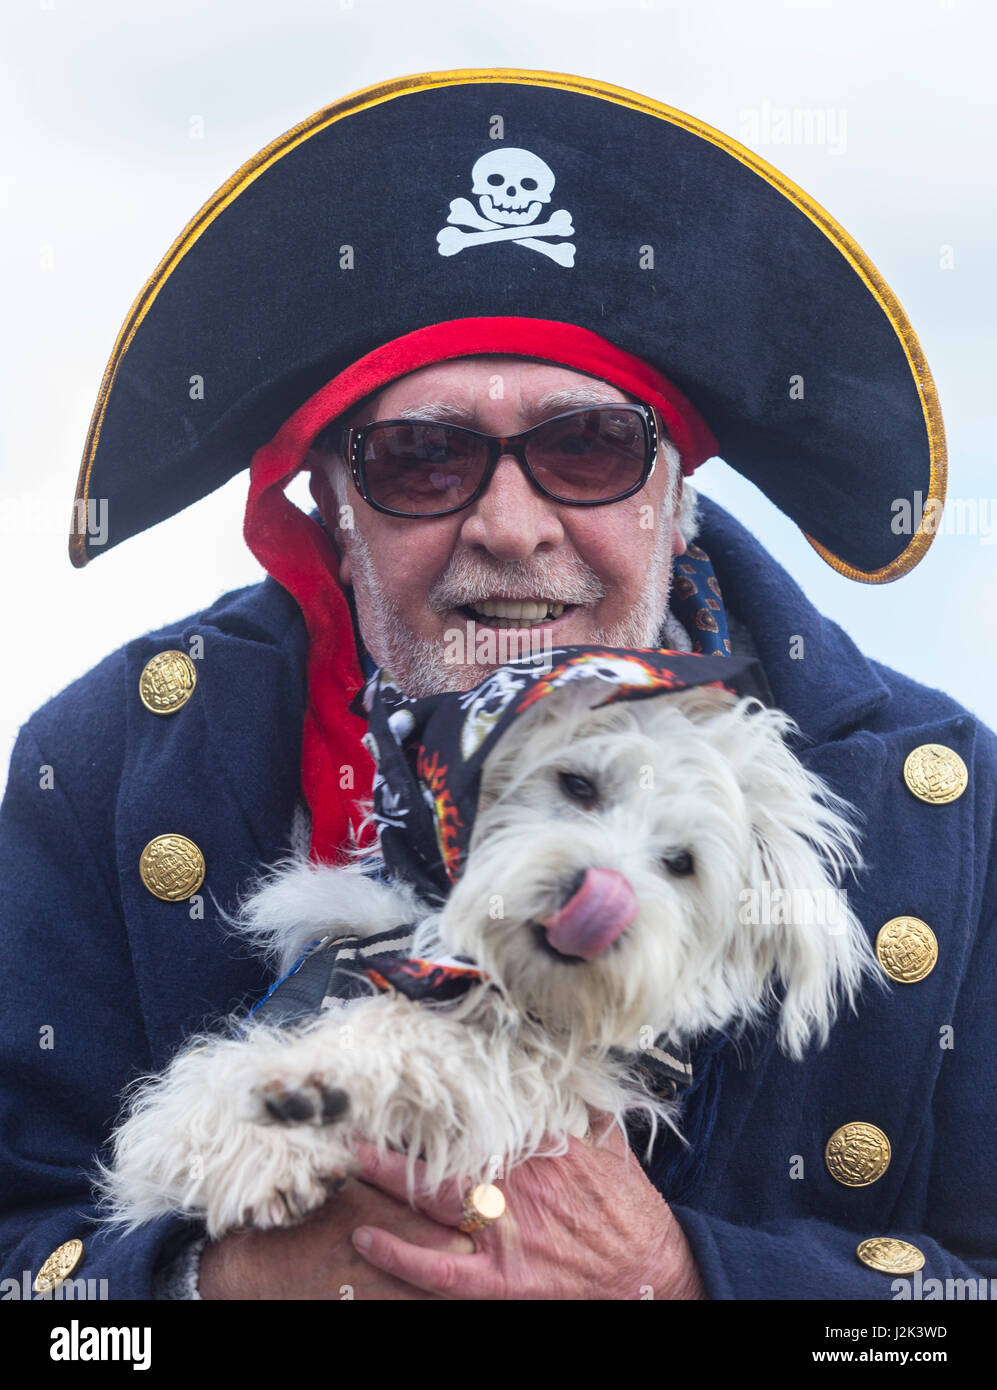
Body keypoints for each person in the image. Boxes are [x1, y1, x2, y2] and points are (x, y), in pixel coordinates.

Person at [2, 69, 995, 1302]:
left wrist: (686, 1285)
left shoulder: (943, 803)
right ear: (330, 506)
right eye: (423, 459)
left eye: (586, 447)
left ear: (675, 495)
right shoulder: (97, 763)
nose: (511, 527)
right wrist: (213, 1290)